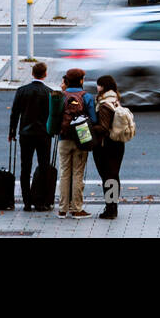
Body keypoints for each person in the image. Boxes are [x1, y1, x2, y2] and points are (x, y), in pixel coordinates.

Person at [8, 60, 57, 210]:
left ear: (32, 73)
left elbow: (15, 113)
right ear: (45, 74)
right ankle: (41, 201)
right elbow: (52, 115)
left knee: (25, 167)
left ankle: (27, 201)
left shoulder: (22, 91)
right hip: (43, 134)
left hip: (26, 134)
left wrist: (12, 131)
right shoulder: (49, 92)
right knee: (44, 167)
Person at [55, 68, 97, 218]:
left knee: (64, 173)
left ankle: (62, 208)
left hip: (63, 138)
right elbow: (93, 119)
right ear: (81, 81)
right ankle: (76, 208)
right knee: (78, 173)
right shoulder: (87, 97)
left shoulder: (61, 96)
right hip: (82, 136)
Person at [92, 74, 126, 219]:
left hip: (106, 145)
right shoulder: (116, 100)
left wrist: (90, 126)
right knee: (113, 175)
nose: (97, 87)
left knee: (107, 176)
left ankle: (110, 209)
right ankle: (113, 206)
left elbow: (104, 128)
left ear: (103, 87)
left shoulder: (104, 105)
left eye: (98, 85)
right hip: (118, 143)